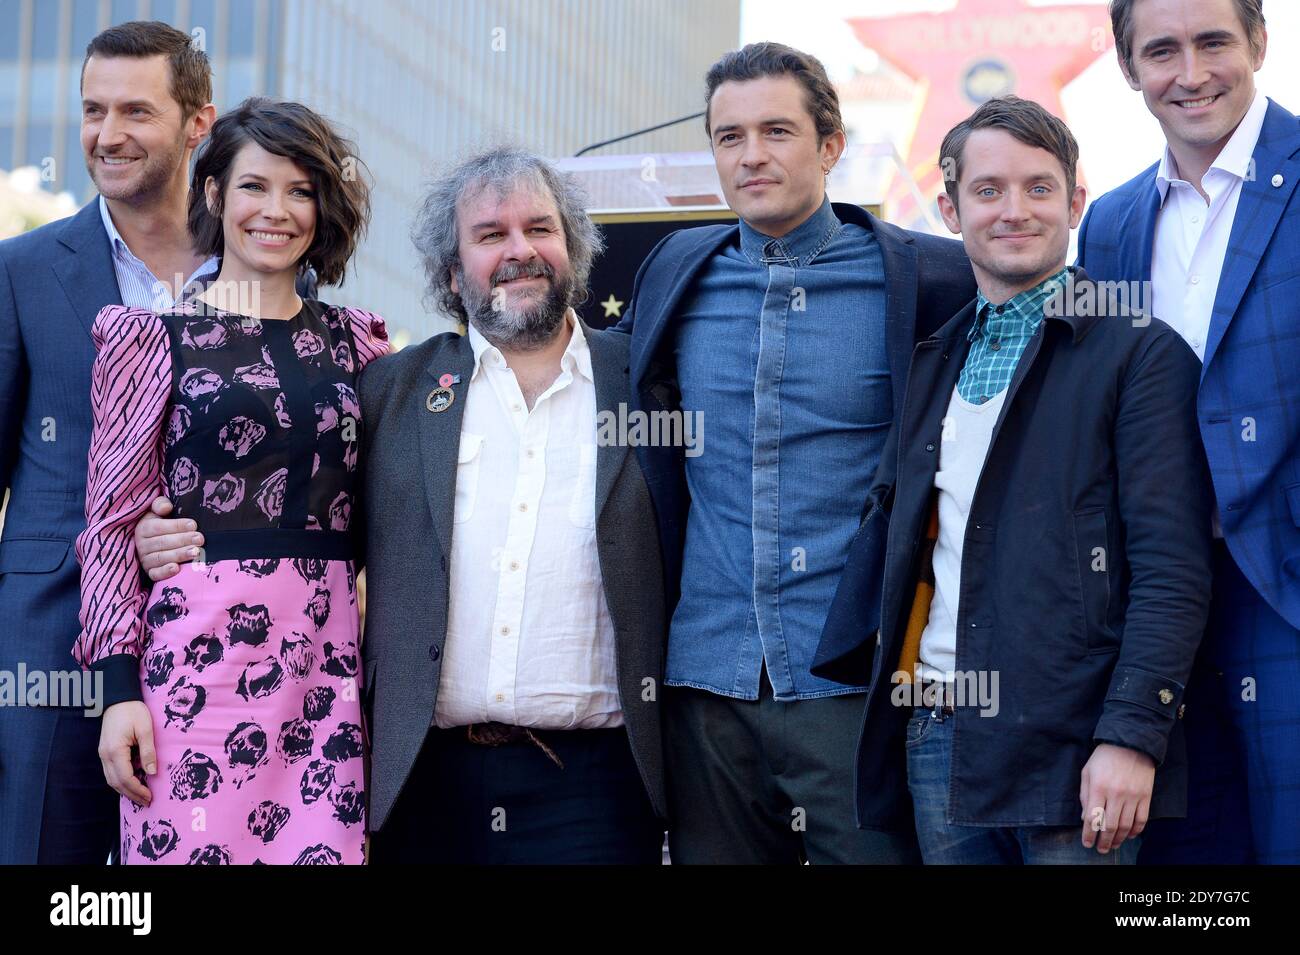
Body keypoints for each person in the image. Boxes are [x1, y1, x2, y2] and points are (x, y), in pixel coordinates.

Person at [138, 146, 668, 865]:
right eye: (490, 235)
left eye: (539, 229)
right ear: (453, 272)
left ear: (571, 247)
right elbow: (306, 500)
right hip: (424, 783)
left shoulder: (647, 384)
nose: (520, 251)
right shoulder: (392, 388)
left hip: (594, 790)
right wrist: (164, 534)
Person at [815, 95, 1213, 864]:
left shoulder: (1140, 353)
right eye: (988, 190)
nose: (1014, 210)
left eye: (1038, 187)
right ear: (950, 206)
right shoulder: (934, 355)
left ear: (1075, 201)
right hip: (938, 734)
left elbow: (1173, 568)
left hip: (1074, 743)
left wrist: (1133, 734)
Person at [616, 42, 975, 863]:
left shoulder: (929, 277)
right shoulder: (677, 268)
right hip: (704, 680)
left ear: (830, 144)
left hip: (852, 683)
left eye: (776, 131)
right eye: (728, 136)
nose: (750, 156)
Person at [76, 96, 386, 864]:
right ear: (214, 194)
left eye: (300, 190)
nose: (275, 210)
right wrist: (118, 692)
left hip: (328, 672)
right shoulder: (149, 339)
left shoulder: (361, 344)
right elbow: (112, 528)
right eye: (254, 186)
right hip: (193, 678)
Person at [1076, 0, 1300, 865]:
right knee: (1184, 871)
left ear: (1260, 45)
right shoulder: (1111, 223)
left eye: (1214, 42)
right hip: (1157, 606)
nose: (1191, 72)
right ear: (1130, 70)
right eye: (1161, 51)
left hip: (1281, 589)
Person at [0, 20, 219, 865]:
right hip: (47, 644)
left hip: (212, 632)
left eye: (136, 110)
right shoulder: (21, 272)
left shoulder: (264, 267)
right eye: (94, 111)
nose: (108, 135)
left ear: (198, 122)